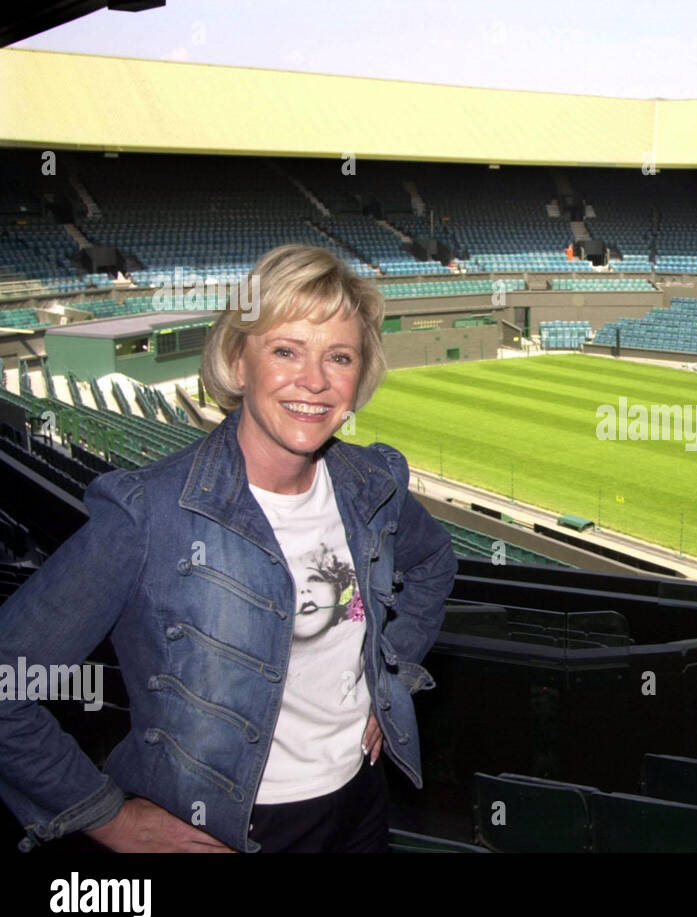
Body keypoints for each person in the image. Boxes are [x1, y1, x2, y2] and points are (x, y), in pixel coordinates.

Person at [0, 244, 457, 852]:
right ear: (238, 363)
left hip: (360, 802)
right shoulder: (148, 514)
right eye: (286, 350)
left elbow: (433, 562)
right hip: (225, 830)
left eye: (339, 357)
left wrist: (388, 676)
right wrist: (108, 818)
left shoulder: (370, 485)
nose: (315, 381)